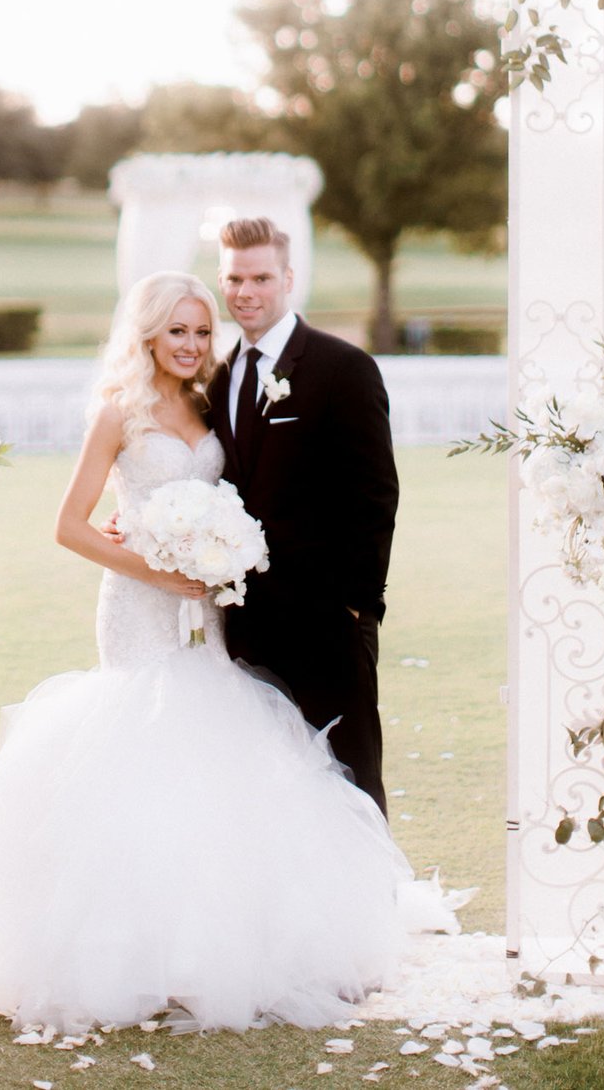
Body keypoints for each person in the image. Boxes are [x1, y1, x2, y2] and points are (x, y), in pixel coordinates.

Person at [0, 270, 419, 1031]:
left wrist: (210, 561)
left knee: (212, 755)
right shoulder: (118, 413)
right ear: (148, 335)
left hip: (208, 607)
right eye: (178, 331)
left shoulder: (210, 406)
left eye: (203, 331)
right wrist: (158, 566)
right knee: (139, 755)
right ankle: (128, 955)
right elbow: (70, 524)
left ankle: (214, 948)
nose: (193, 344)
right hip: (140, 605)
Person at [211, 217, 397, 814]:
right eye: (235, 278)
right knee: (269, 792)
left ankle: (372, 905)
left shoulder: (343, 368)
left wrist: (357, 606)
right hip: (242, 627)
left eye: (261, 277)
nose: (246, 292)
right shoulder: (217, 378)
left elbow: (376, 495)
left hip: (328, 624)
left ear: (288, 278)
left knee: (349, 781)